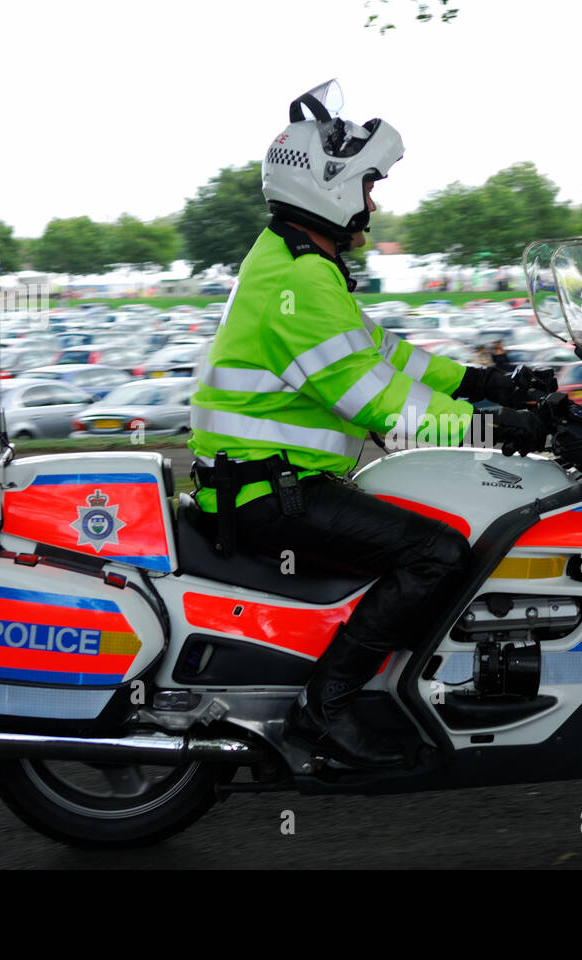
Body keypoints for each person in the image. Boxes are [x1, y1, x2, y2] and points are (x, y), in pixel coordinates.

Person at [187, 82, 547, 769]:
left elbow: (382, 355)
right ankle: (325, 710)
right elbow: (385, 406)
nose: (373, 204)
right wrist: (501, 429)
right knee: (437, 552)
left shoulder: (300, 269)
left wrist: (486, 383)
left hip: (272, 483)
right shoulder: (297, 281)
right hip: (272, 493)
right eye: (368, 186)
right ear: (330, 188)